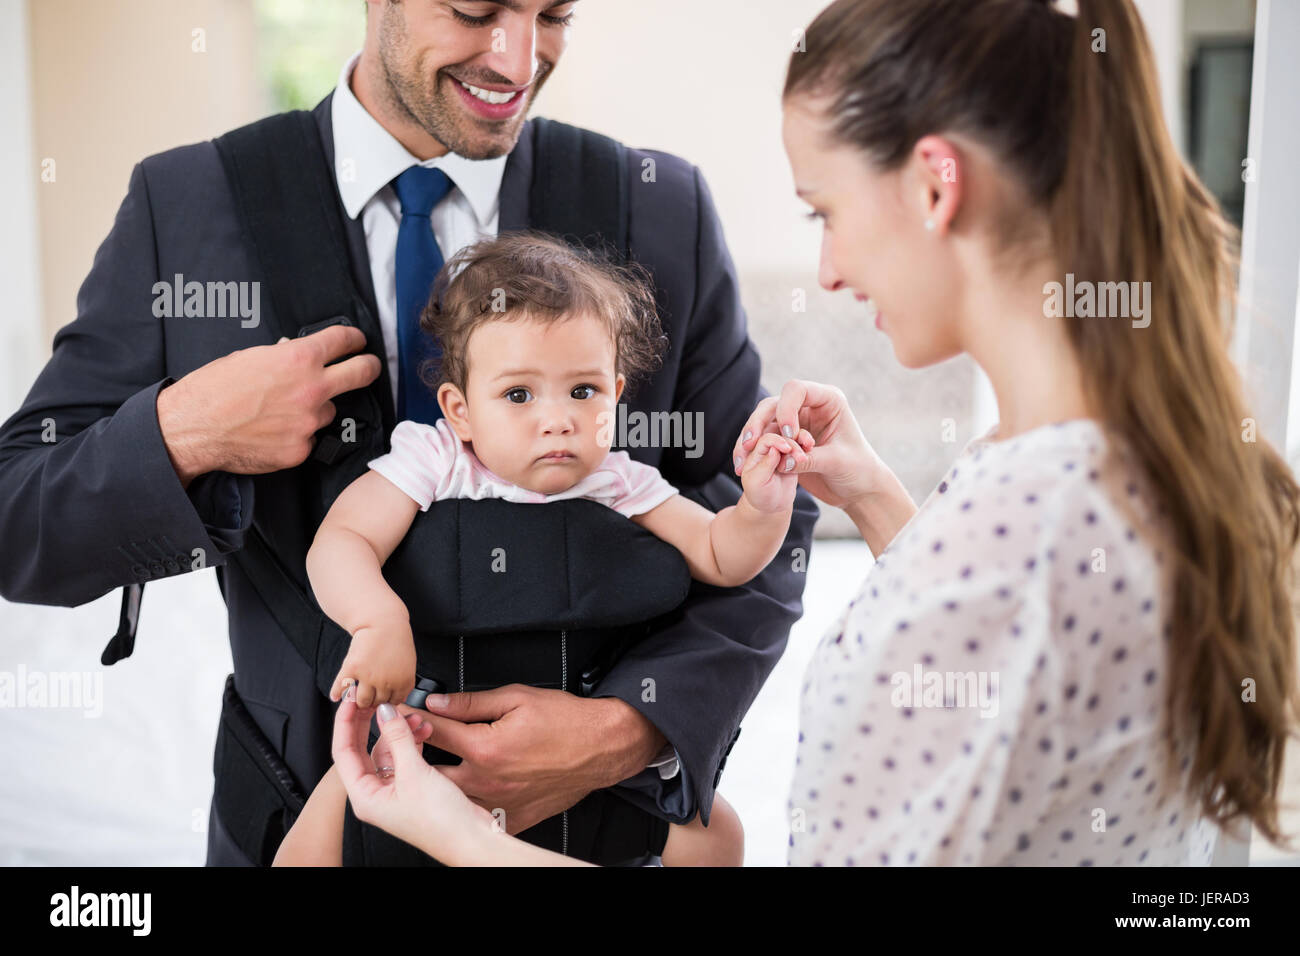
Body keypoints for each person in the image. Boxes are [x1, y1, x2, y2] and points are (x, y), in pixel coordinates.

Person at [329, 0, 1300, 866]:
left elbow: (992, 605)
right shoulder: (1129, 471)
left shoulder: (1008, 550)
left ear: (933, 186)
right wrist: (876, 495)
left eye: (825, 211)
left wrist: (456, 837)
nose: (827, 270)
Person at [0, 0, 818, 866]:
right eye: (475, 9)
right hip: (301, 816)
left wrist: (624, 731)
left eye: (555, 14)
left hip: (596, 836)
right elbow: (19, 520)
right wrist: (189, 431)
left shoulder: (658, 206)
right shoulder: (184, 206)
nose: (516, 58)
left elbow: (768, 514)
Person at [275, 233, 804, 865]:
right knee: (328, 814)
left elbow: (722, 555)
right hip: (429, 735)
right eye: (519, 395)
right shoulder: (438, 460)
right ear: (461, 410)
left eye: (583, 392)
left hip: (579, 754)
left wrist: (762, 506)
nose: (557, 419)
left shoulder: (619, 480)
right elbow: (340, 541)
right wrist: (377, 619)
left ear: (616, 392)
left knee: (720, 835)